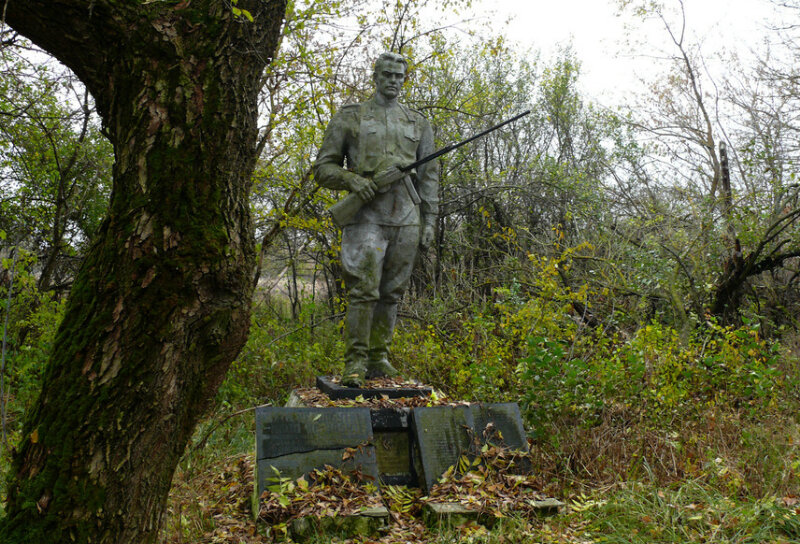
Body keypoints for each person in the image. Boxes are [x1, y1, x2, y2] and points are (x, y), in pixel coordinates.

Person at [313, 51, 439, 387]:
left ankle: (379, 358)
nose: (394, 81)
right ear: (376, 77)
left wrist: (430, 221)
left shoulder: (417, 122)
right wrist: (353, 180)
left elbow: (429, 176)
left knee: (392, 292)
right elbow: (323, 168)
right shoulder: (351, 117)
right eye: (387, 74)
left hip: (407, 213)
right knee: (363, 291)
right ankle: (355, 362)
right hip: (366, 212)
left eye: (399, 76)